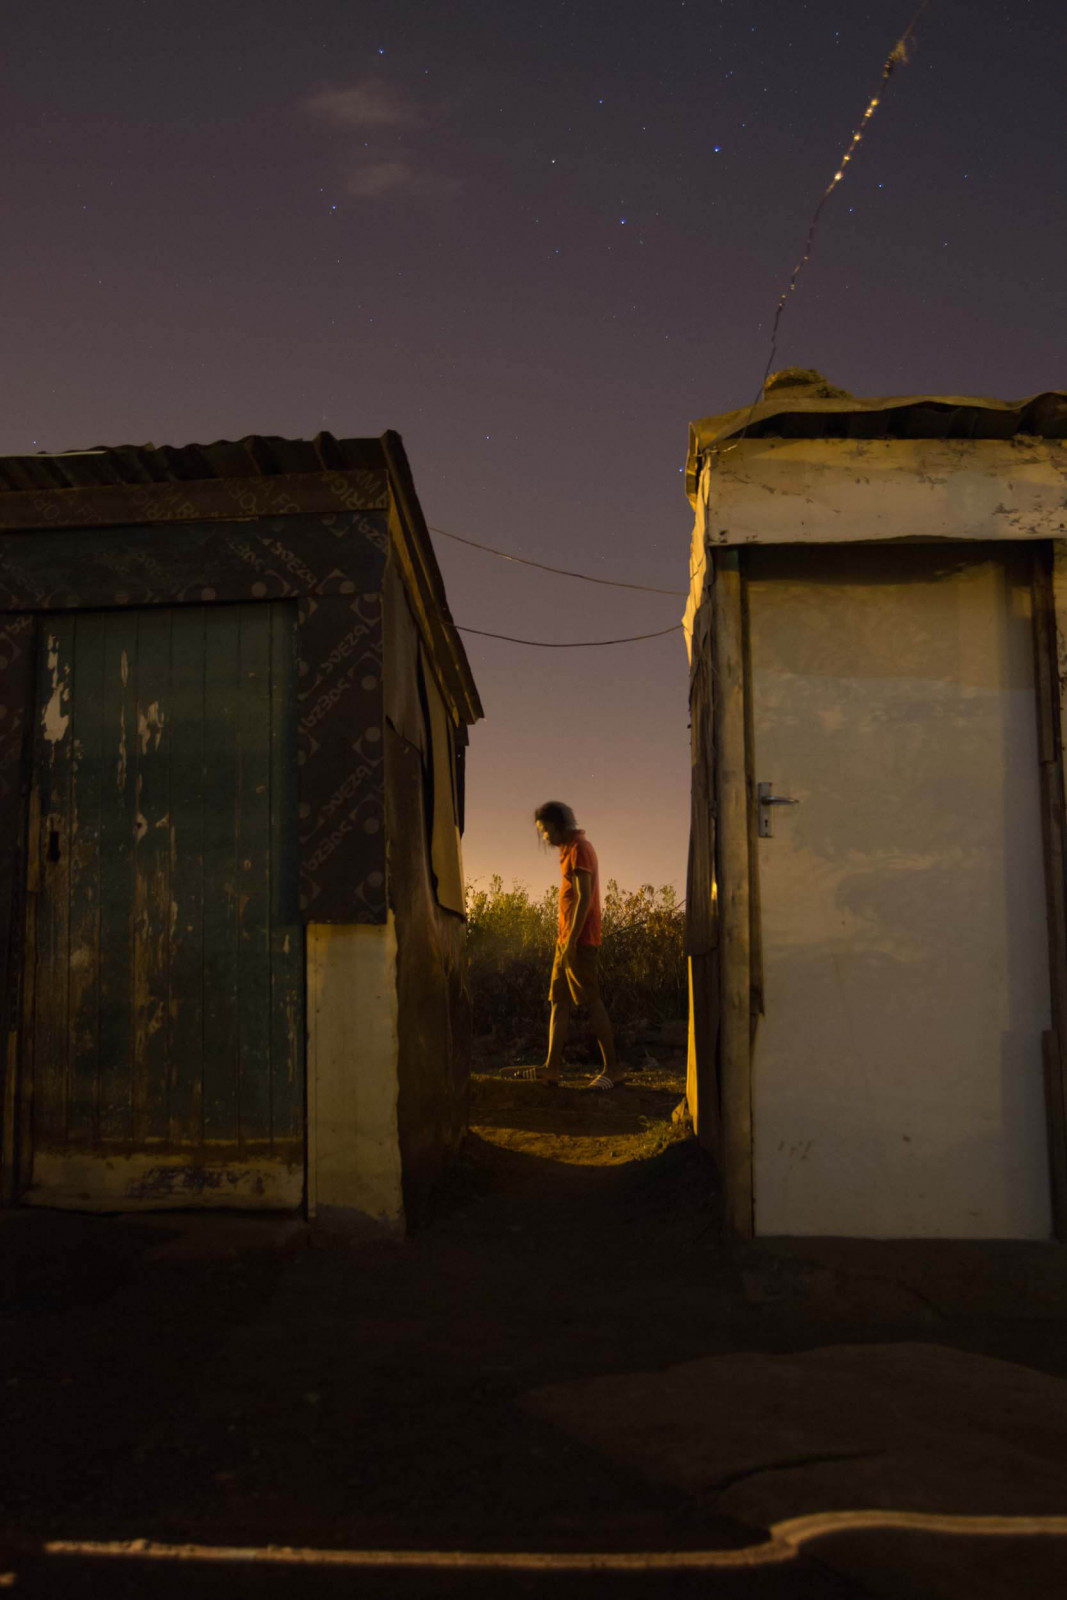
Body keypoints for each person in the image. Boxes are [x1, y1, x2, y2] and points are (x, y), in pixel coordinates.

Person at [511, 801, 620, 1090]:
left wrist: (571, 941)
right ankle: (552, 1068)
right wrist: (563, 941)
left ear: (558, 826)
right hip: (566, 941)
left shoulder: (580, 848)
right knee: (558, 1001)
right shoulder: (568, 851)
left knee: (590, 1000)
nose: (544, 836)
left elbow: (584, 898)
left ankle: (614, 1069)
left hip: (579, 940)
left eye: (546, 830)